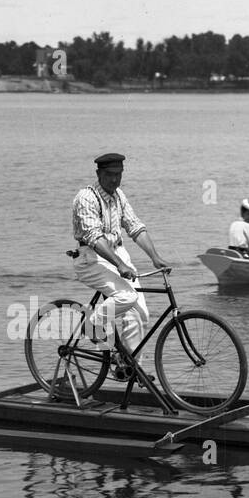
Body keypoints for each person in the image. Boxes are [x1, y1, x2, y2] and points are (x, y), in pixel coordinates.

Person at [71, 152, 172, 376]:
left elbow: (135, 227)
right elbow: (94, 239)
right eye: (109, 175)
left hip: (117, 255)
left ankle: (128, 367)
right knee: (127, 297)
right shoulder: (86, 198)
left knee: (140, 314)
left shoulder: (118, 196)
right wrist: (120, 265)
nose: (114, 180)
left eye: (119, 175)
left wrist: (155, 257)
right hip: (91, 258)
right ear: (99, 174)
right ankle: (92, 325)